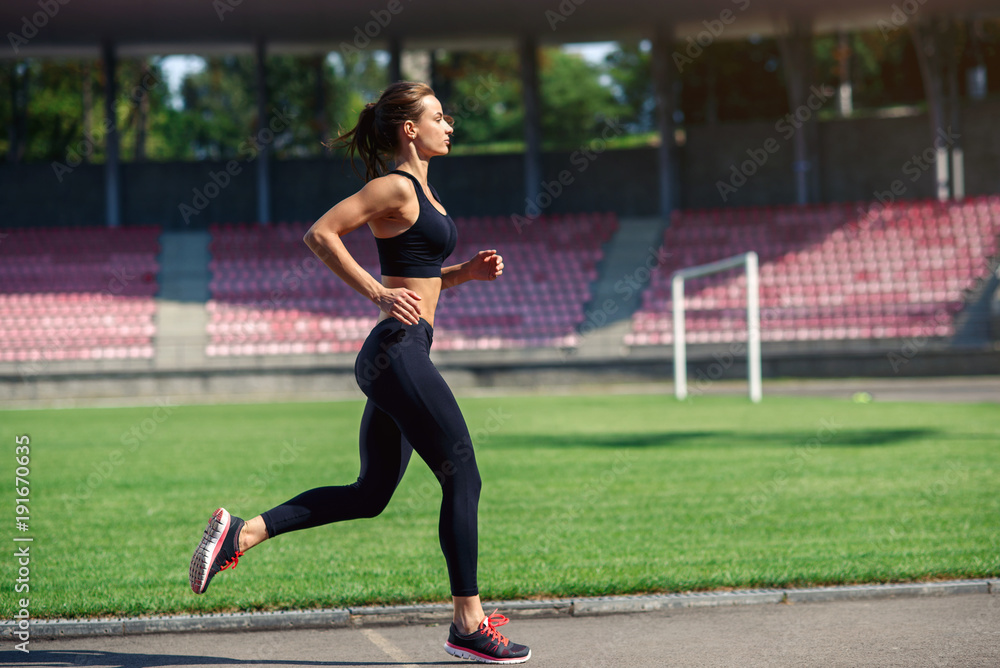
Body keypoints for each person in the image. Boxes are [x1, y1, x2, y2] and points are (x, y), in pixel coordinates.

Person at [188, 81, 531, 665]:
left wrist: (463, 275)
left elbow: (418, 275)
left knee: (371, 493)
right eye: (439, 118)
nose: (450, 126)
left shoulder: (423, 193)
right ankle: (468, 623)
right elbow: (320, 234)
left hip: (402, 350)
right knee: (463, 474)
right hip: (397, 351)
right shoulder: (394, 185)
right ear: (409, 130)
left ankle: (241, 534)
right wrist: (376, 292)